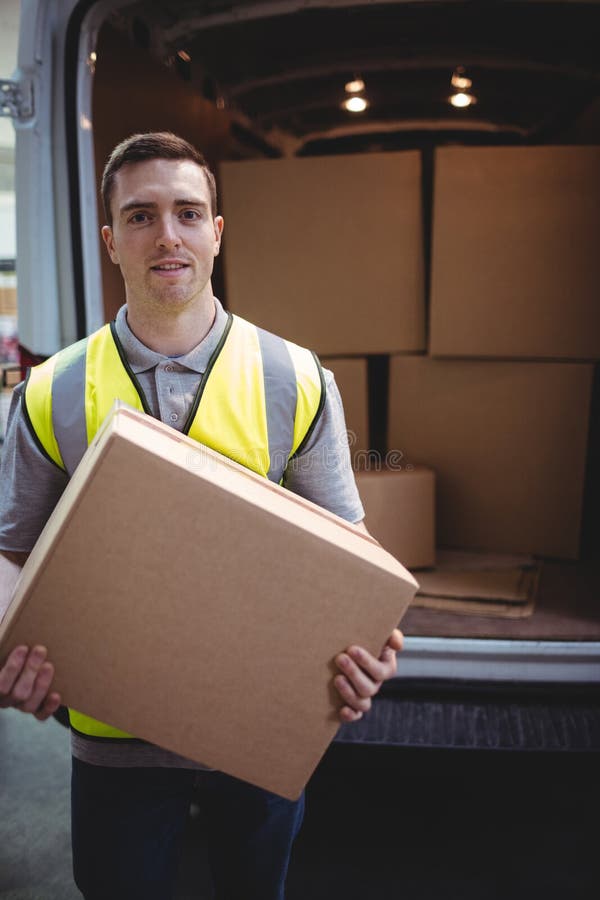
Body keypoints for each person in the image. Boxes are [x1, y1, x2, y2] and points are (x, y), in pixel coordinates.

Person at [0, 132, 404, 900]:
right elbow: (9, 550)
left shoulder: (295, 377)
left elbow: (351, 554)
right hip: (113, 743)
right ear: (112, 238)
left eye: (188, 213)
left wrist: (370, 645)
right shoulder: (51, 391)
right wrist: (7, 641)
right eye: (142, 216)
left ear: (217, 232)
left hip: (259, 735)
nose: (168, 236)